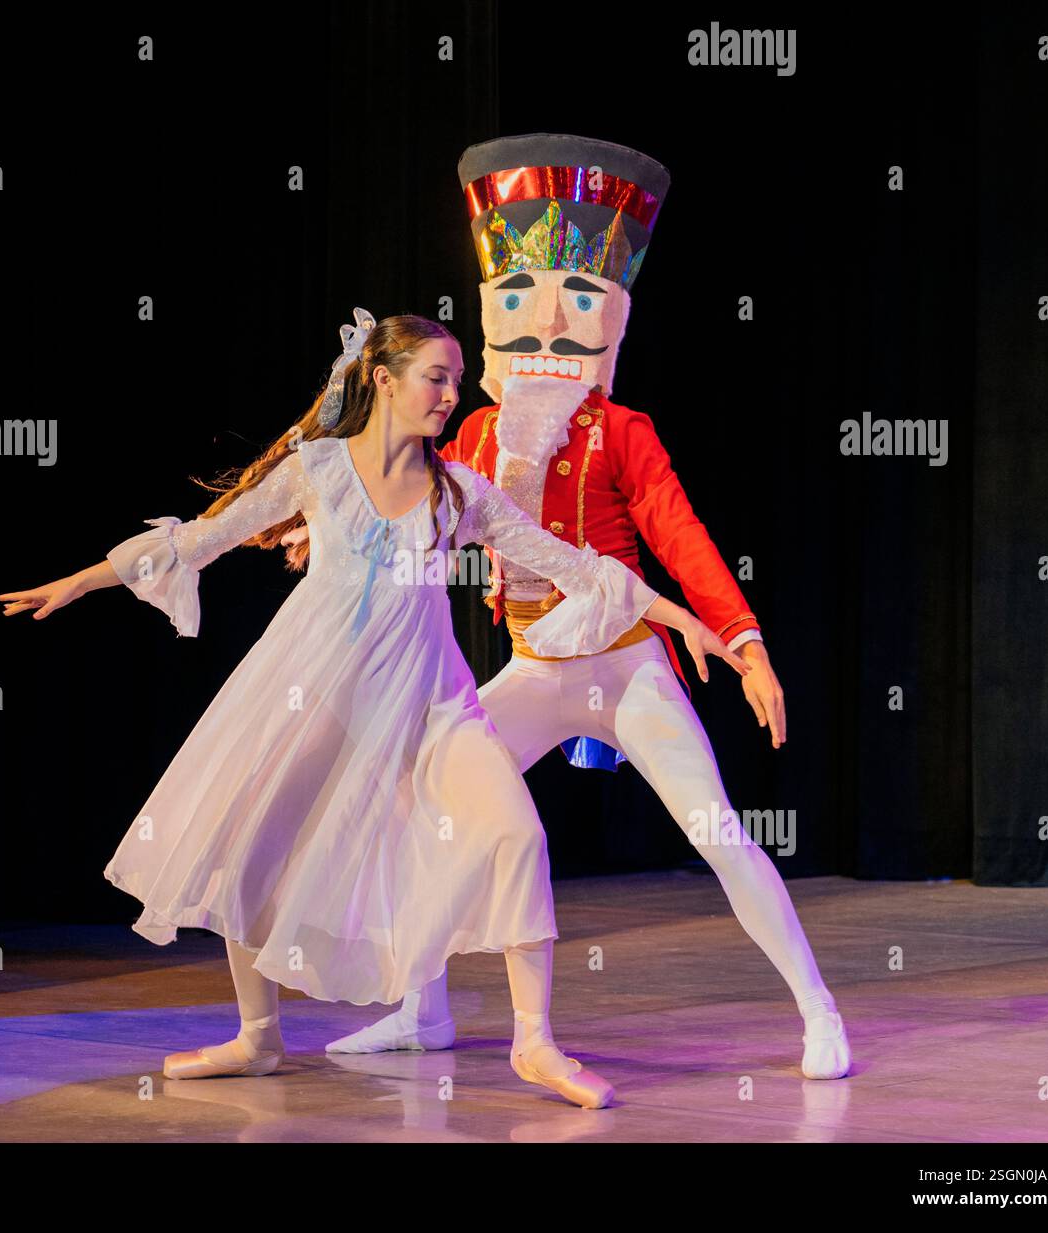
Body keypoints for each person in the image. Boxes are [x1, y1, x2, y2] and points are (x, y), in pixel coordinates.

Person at [0, 310, 749, 1110]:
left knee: (518, 833)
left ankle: (535, 1041)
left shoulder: (461, 492)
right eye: (437, 376)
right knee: (249, 849)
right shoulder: (316, 471)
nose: (453, 394)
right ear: (382, 379)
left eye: (459, 379)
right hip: (324, 693)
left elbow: (576, 564)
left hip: (434, 706)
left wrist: (687, 621)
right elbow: (196, 542)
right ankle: (258, 1036)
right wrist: (78, 581)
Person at [320, 134, 850, 1081]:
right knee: (422, 805)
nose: (547, 324)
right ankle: (422, 1008)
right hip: (533, 664)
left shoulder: (621, 432)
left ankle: (818, 1009)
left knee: (719, 832)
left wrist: (746, 644)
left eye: (574, 304)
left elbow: (681, 539)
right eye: (520, 302)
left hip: (624, 663)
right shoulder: (477, 431)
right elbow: (424, 518)